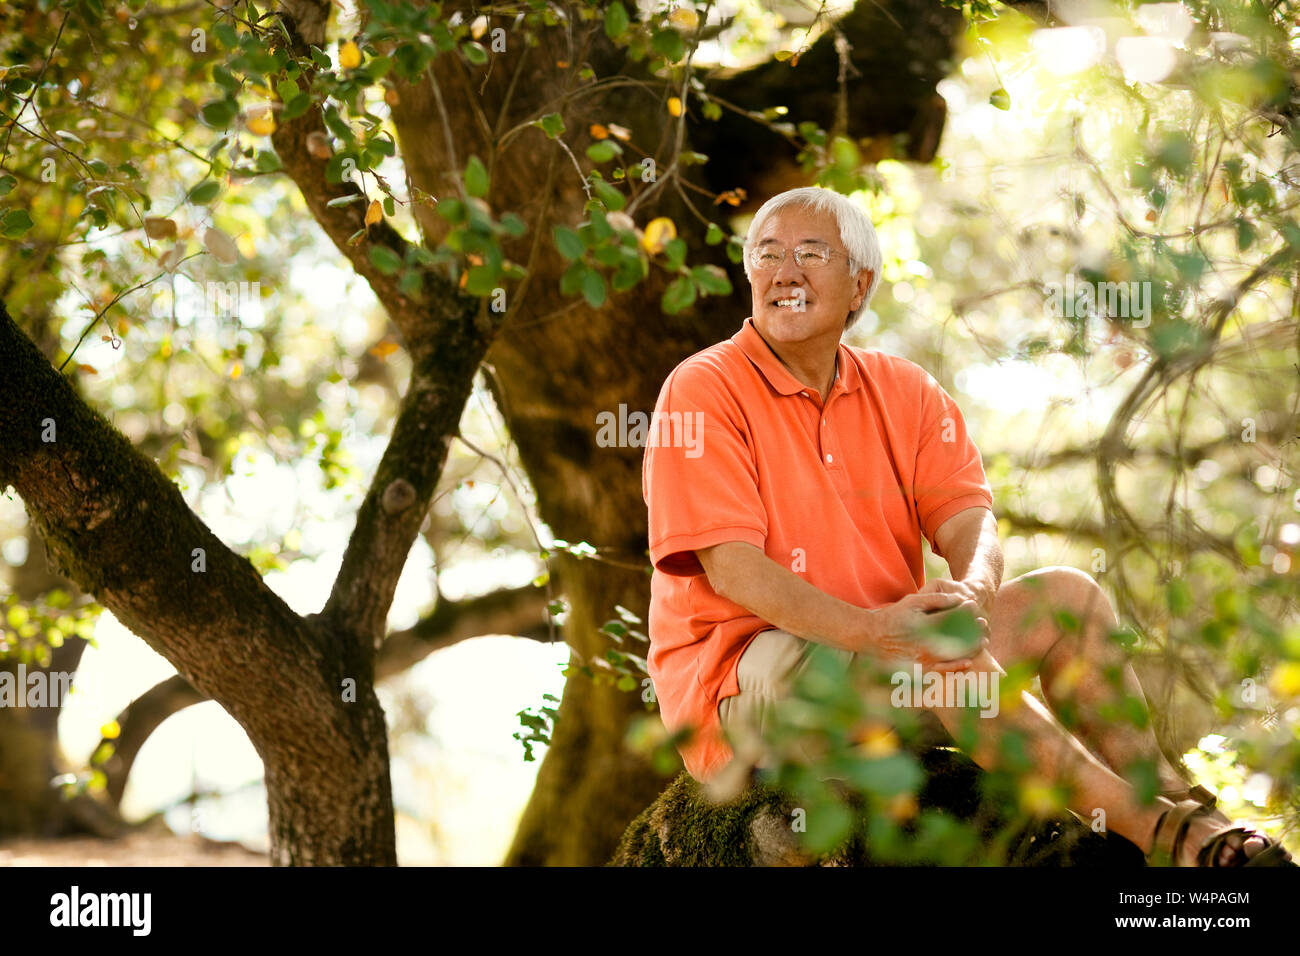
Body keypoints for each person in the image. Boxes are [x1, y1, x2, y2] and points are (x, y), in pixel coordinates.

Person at [641, 185, 1293, 867]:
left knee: (1069, 598)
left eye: (811, 253)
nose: (784, 272)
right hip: (745, 688)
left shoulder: (907, 391)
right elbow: (733, 569)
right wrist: (878, 631)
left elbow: (967, 517)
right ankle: (1166, 836)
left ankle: (1189, 816)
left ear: (858, 285)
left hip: (885, 666)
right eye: (768, 255)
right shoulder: (704, 388)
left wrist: (974, 590)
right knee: (939, 653)